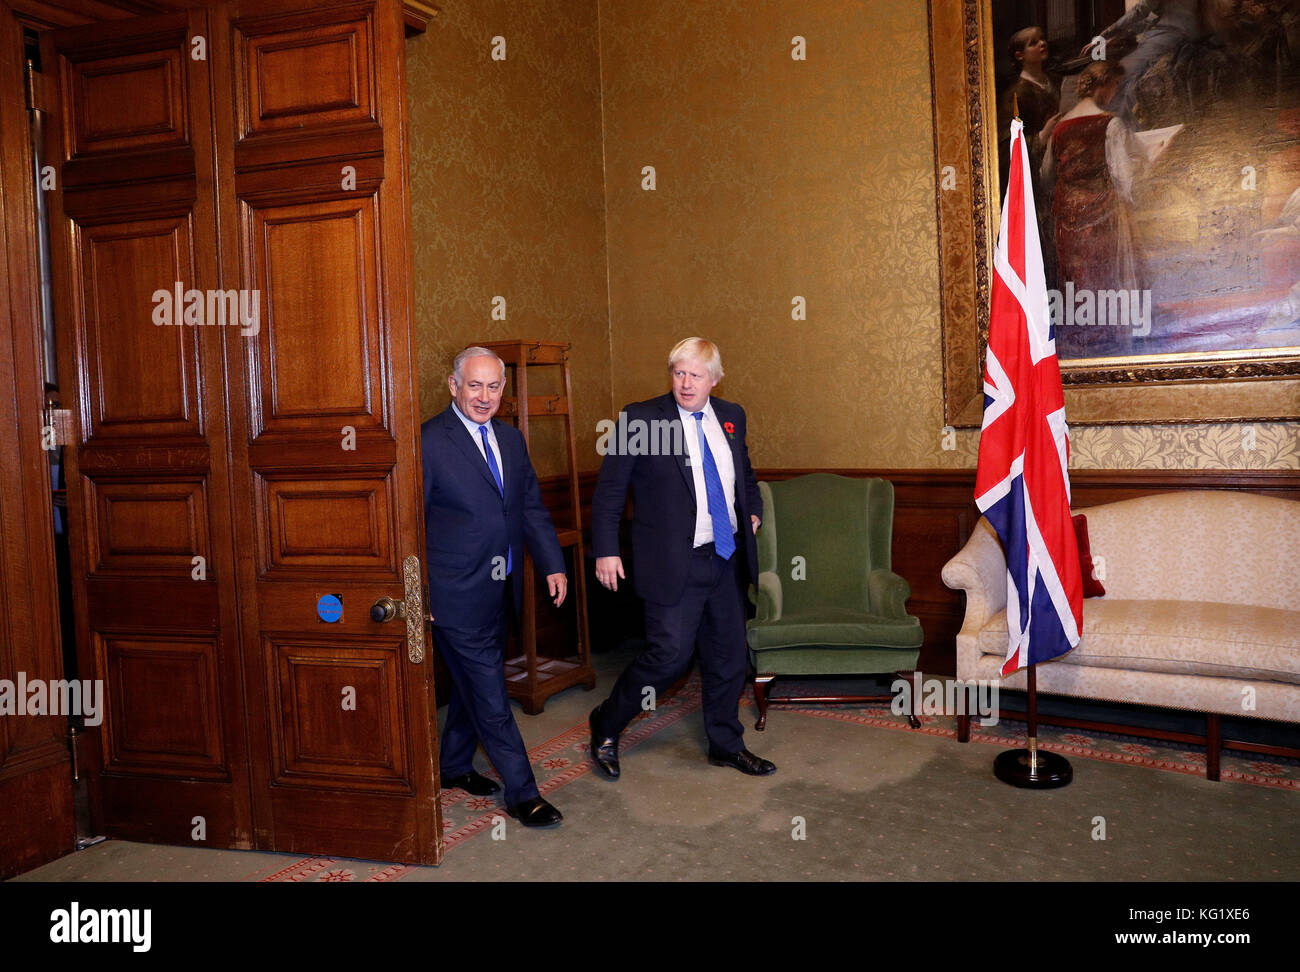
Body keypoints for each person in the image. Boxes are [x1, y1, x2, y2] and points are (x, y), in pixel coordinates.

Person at [587, 337, 776, 781]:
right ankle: (607, 723)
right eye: (678, 373)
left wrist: (752, 510)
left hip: (724, 558)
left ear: (714, 379)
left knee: (729, 657)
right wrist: (607, 550)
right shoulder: (643, 419)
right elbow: (610, 491)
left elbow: (743, 473)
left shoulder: (732, 417)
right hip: (673, 562)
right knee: (668, 658)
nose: (686, 383)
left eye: (696, 375)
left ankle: (726, 745)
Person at [421, 346, 569, 828]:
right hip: (451, 593)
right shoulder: (428, 441)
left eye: (494, 387)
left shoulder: (511, 439)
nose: (484, 397)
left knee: (471, 684)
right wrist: (419, 593)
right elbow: (410, 525)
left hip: (500, 586)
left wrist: (552, 564)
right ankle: (524, 793)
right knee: (489, 691)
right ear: (453, 386)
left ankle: (454, 766)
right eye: (474, 385)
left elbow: (528, 508)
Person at [1042, 60, 1148, 356]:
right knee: (1103, 274)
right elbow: (1123, 176)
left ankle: (1082, 340)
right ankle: (1108, 340)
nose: (1115, 93)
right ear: (1103, 84)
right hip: (1102, 212)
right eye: (1114, 86)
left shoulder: (1060, 129)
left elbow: (1047, 175)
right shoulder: (1109, 124)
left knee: (1077, 277)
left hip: (1066, 213)